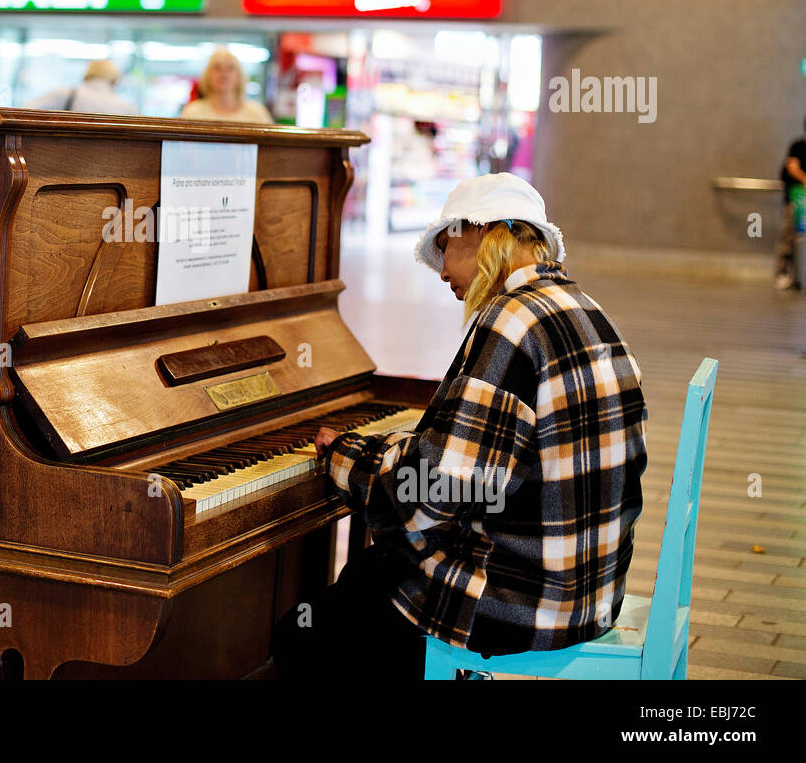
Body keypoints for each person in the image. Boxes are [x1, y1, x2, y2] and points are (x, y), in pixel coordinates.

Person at [272, 172, 647, 679]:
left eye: (446, 246)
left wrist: (343, 456)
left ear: (481, 233)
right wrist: (393, 449)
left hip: (516, 607)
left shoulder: (511, 323)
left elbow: (433, 494)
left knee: (304, 635)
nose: (443, 270)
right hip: (588, 594)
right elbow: (484, 462)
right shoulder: (587, 311)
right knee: (370, 572)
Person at [180, 47, 273, 124]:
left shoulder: (257, 113)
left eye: (230, 68)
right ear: (208, 75)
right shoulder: (192, 112)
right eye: (217, 67)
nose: (223, 73)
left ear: (239, 76)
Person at [24, 60, 138, 115]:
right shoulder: (127, 107)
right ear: (115, 80)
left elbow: (25, 111)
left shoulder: (66, 94)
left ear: (87, 74)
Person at [774, 114, 806, 290]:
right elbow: (791, 167)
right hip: (795, 202)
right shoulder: (797, 147)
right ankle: (784, 272)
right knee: (789, 236)